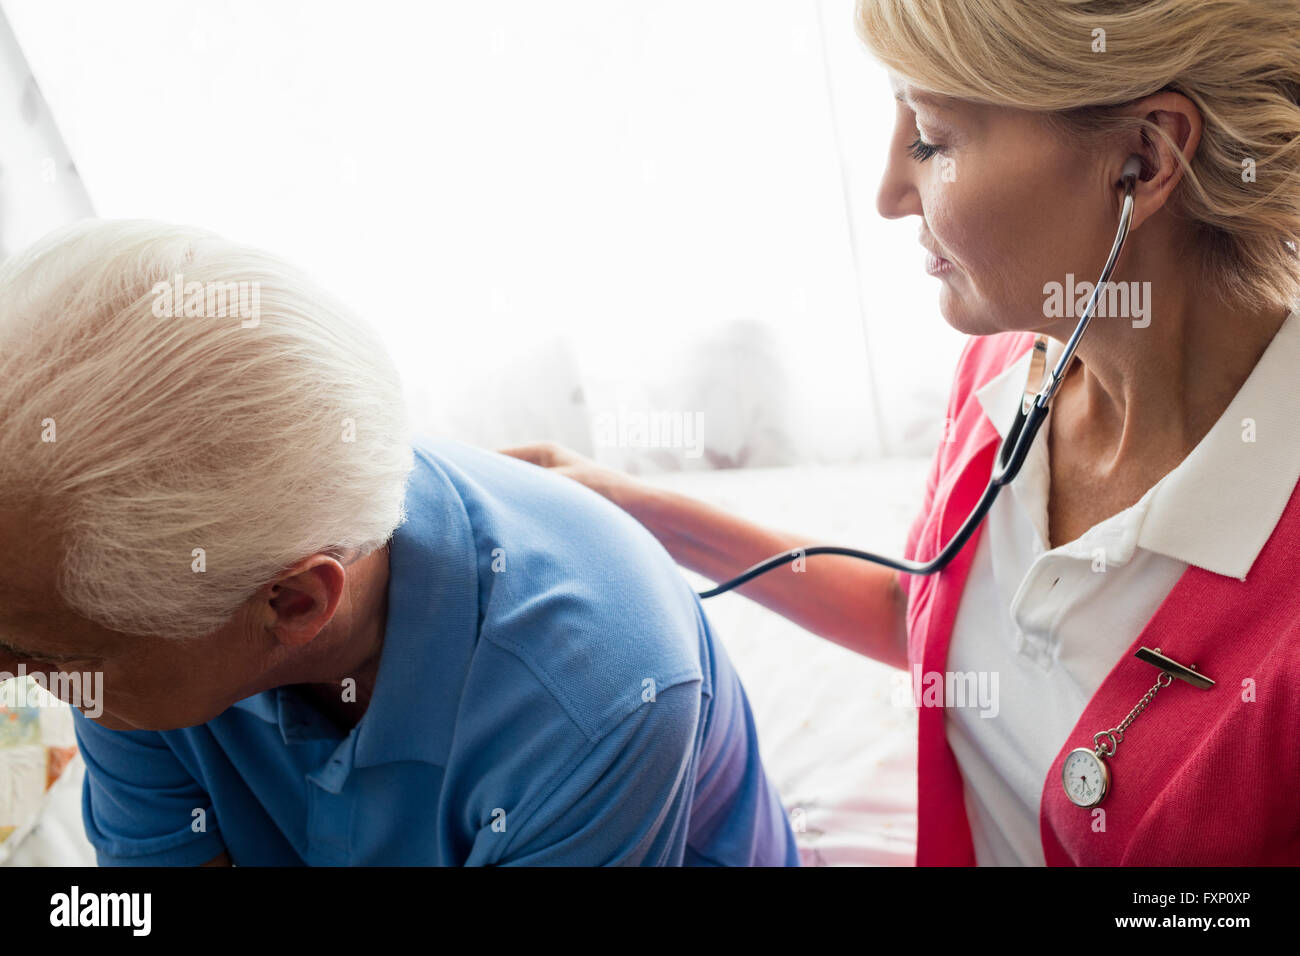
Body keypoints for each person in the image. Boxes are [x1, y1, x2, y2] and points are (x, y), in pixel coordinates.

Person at [503, 0, 1300, 865]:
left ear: (1141, 161)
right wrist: (629, 506)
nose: (887, 194)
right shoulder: (1008, 366)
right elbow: (915, 611)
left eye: (931, 137)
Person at [0, 219, 798, 866]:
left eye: (32, 655)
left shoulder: (603, 703)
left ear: (294, 601)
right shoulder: (94, 595)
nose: (13, 675)